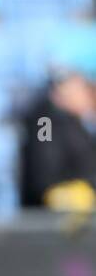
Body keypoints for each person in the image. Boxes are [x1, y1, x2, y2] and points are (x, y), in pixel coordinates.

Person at [20, 70, 96, 210]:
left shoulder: (75, 122)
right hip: (49, 214)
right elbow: (43, 168)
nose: (88, 97)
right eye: (84, 90)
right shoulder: (45, 120)